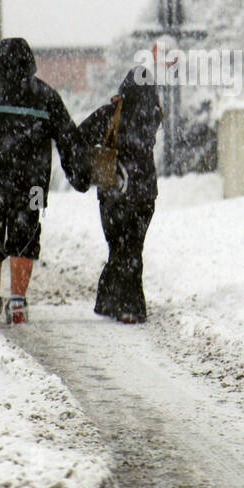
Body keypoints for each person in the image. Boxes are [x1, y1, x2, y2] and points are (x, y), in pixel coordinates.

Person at [0, 37, 87, 325]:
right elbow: (68, 138)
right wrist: (78, 173)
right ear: (31, 63)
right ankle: (19, 301)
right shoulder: (45, 96)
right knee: (26, 239)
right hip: (33, 187)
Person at [78, 66, 163, 324]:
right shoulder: (154, 115)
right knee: (133, 247)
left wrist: (90, 161)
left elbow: (78, 135)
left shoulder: (112, 112)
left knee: (118, 247)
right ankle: (127, 305)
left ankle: (117, 303)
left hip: (115, 190)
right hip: (145, 192)